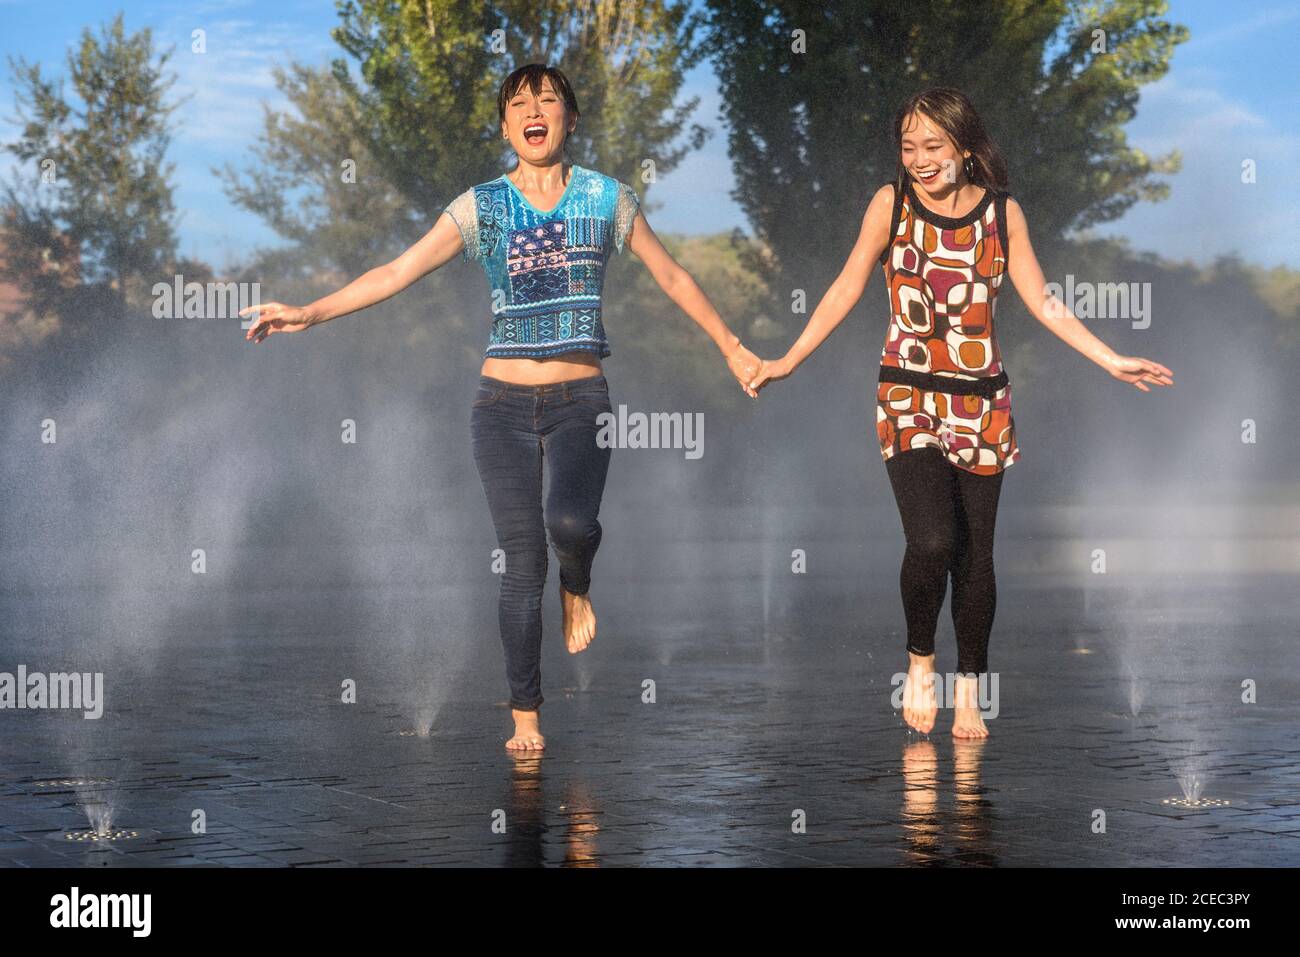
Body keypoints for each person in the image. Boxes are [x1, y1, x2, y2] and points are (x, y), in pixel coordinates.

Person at [241, 63, 760, 751]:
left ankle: (580, 581)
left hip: (581, 398)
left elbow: (671, 274)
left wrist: (729, 345)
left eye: (548, 99)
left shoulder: (607, 199)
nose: (534, 109)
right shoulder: (479, 207)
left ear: (570, 120)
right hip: (500, 405)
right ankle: (525, 713)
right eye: (519, 103)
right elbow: (397, 270)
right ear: (507, 126)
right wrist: (310, 311)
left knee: (570, 524)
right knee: (521, 560)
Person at [747, 87, 1173, 738]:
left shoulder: (1004, 215)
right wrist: (789, 359)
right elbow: (844, 286)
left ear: (964, 148)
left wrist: (1110, 358)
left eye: (933, 147)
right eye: (908, 146)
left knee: (976, 555)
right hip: (907, 394)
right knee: (934, 540)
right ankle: (921, 659)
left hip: (984, 402)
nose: (919, 159)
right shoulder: (890, 206)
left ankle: (969, 686)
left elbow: (1043, 301)